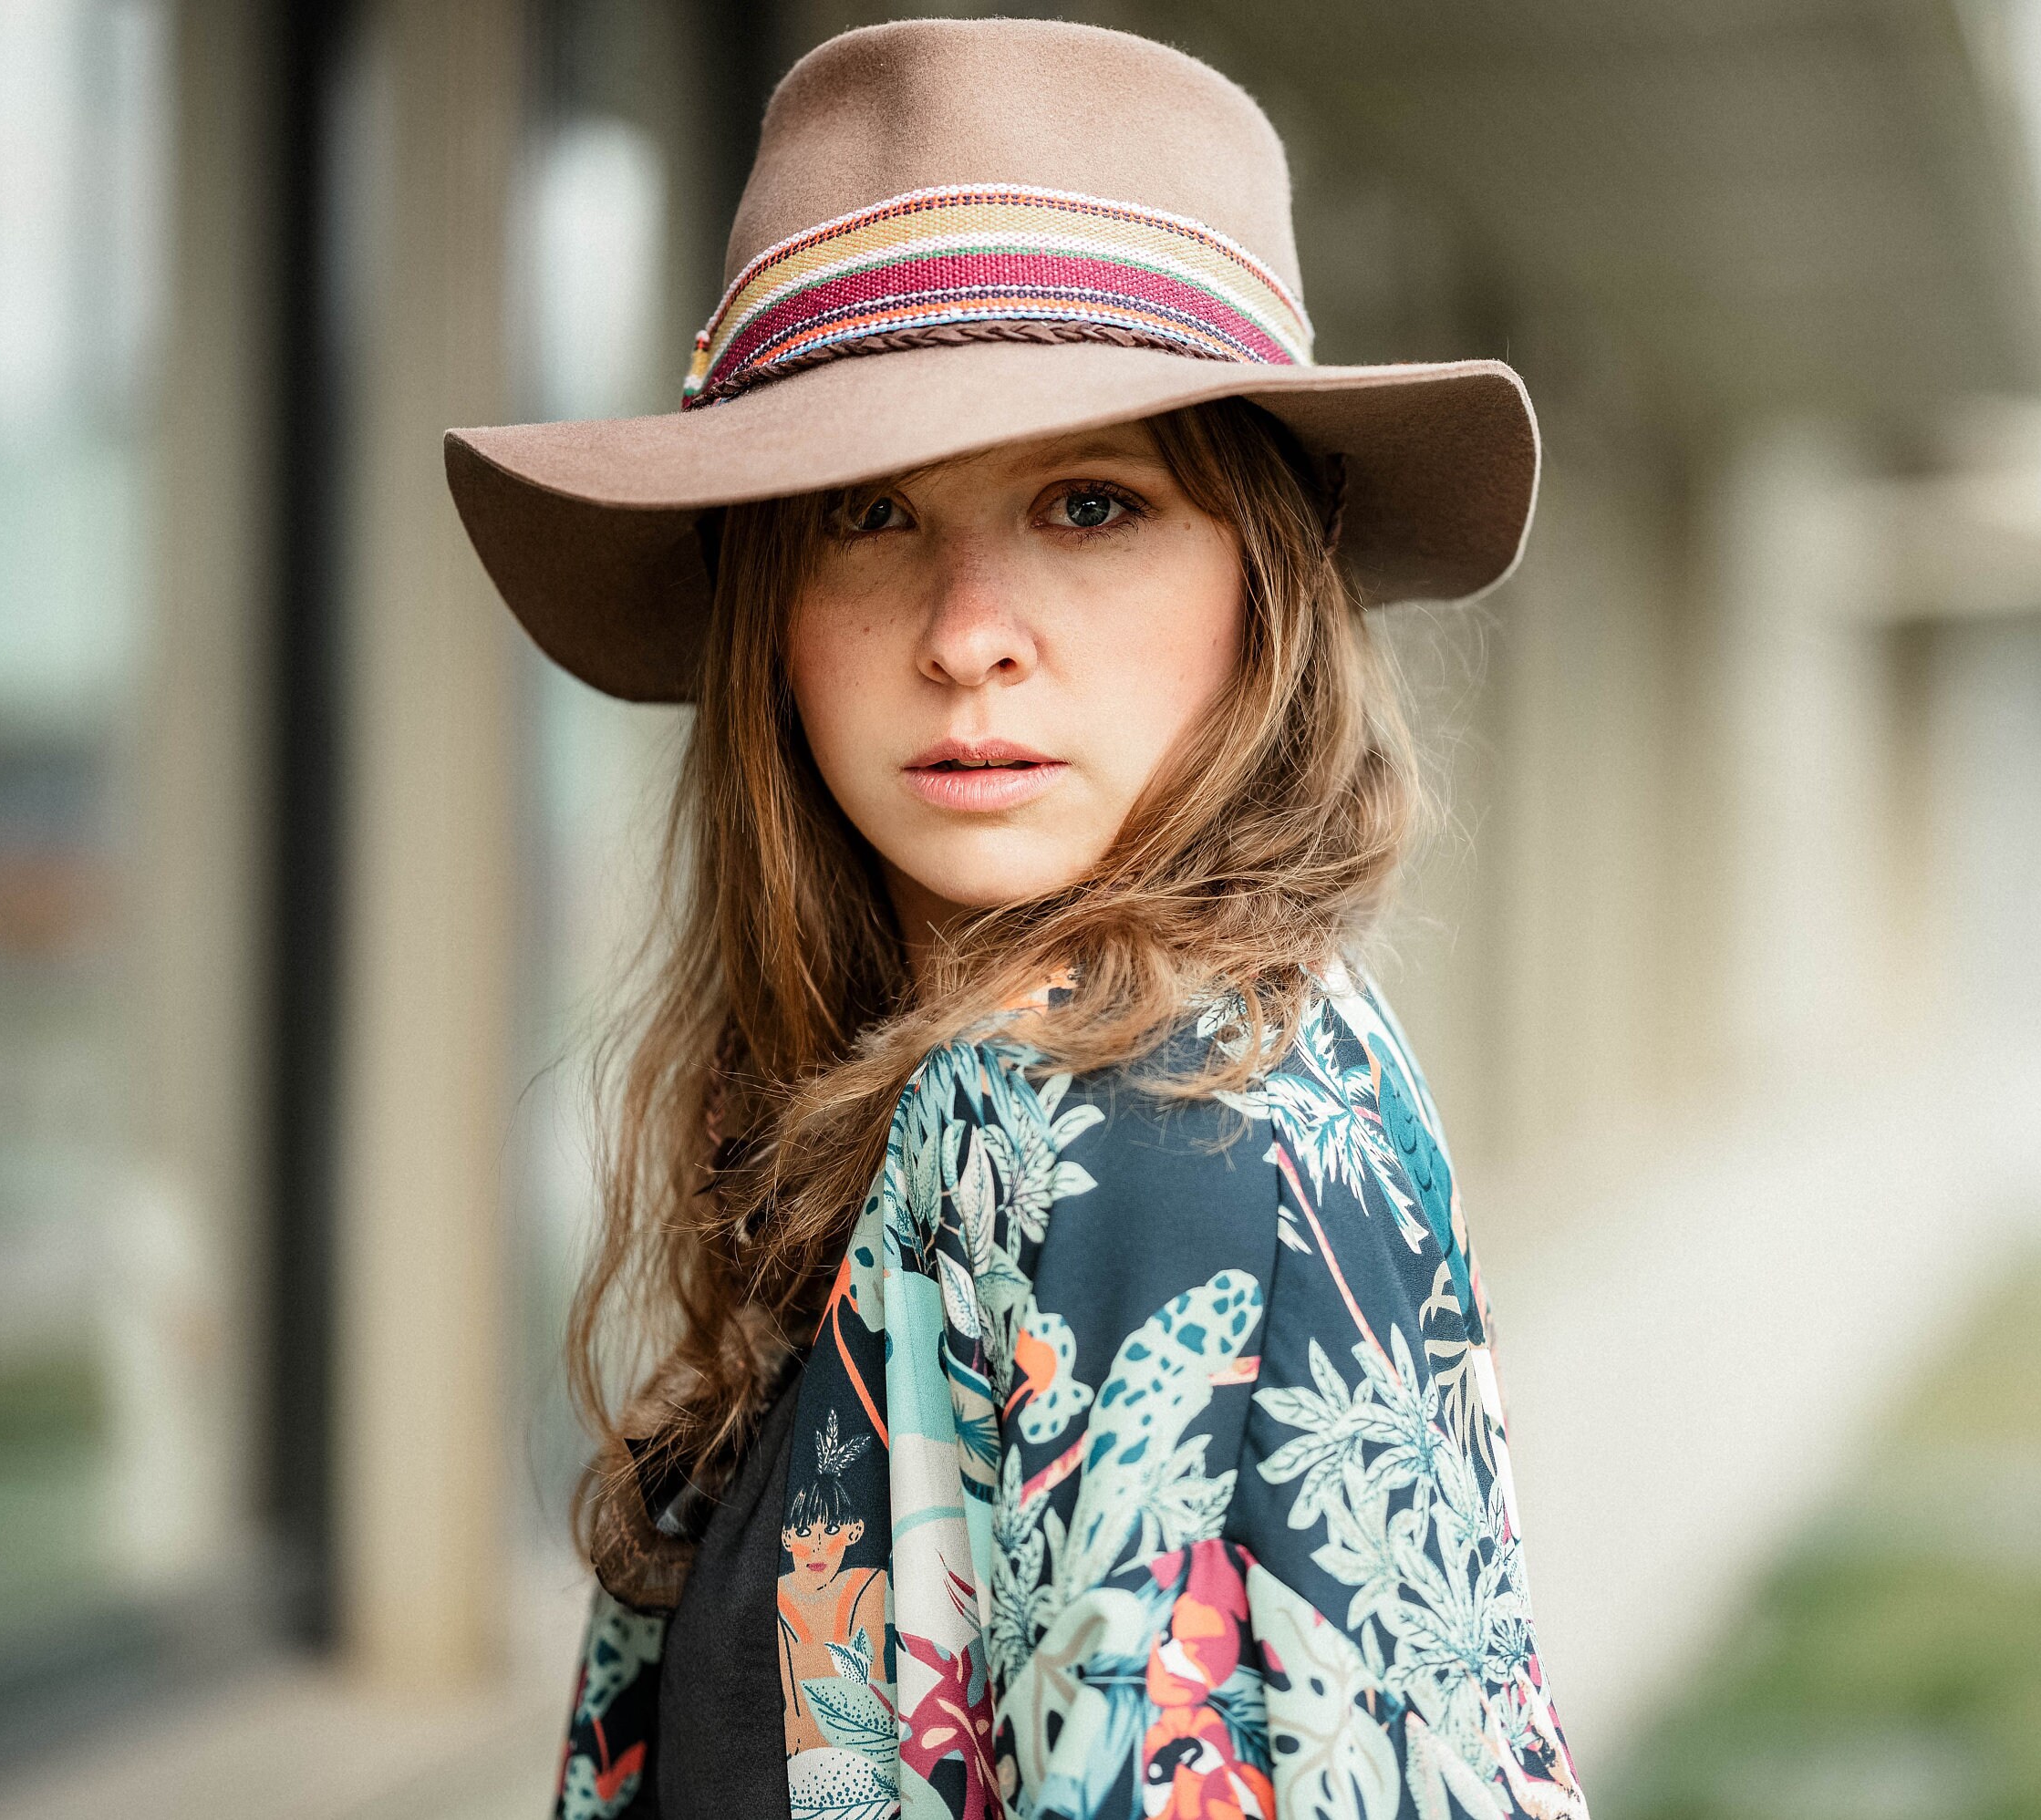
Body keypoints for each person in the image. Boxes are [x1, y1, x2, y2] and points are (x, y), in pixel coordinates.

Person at [444, 18, 1579, 1820]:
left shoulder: (1122, 1129)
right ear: (771, 610)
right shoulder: (1028, 1088)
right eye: (870, 509)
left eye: (1090, 498)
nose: (970, 626)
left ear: (1261, 589)